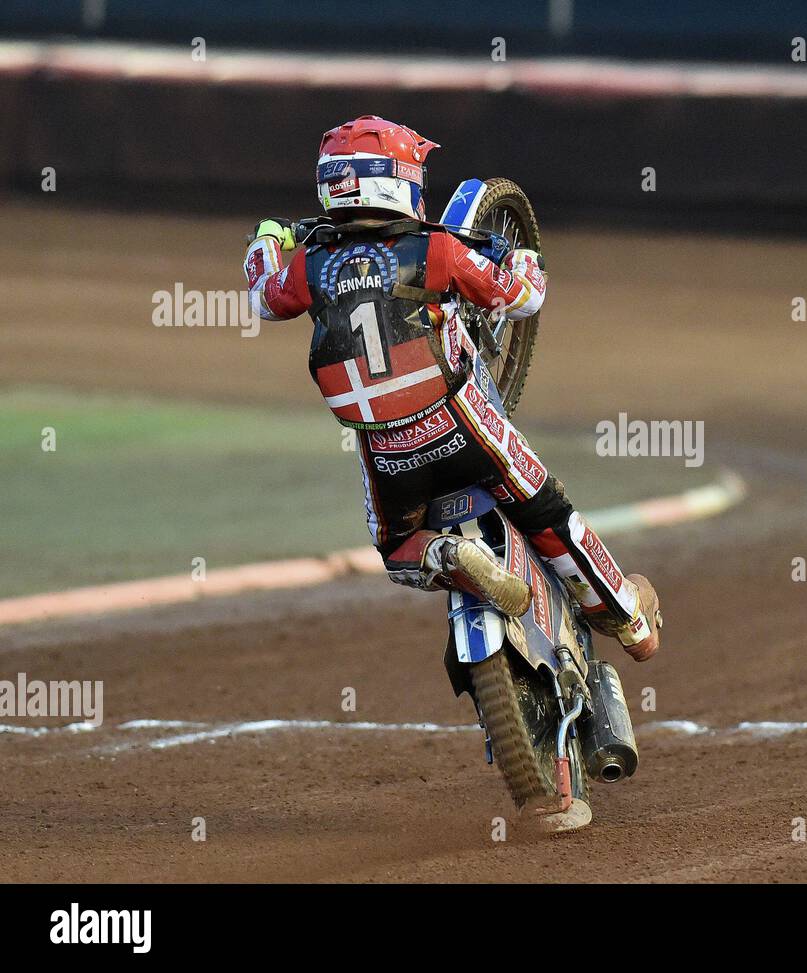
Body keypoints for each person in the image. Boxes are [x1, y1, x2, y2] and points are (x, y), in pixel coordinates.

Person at [242, 115, 660, 661]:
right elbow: (522, 298)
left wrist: (269, 238)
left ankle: (444, 554)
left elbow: (262, 296)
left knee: (394, 549)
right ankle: (628, 619)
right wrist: (523, 259)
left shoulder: (310, 267)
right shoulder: (436, 251)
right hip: (463, 427)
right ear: (398, 181)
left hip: (382, 451)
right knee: (546, 510)